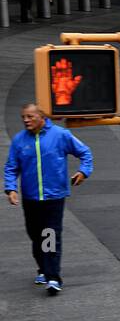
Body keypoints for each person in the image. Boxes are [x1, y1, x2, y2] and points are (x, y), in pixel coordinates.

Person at [4, 103, 94, 295]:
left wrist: (83, 172)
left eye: (30, 116)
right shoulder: (20, 140)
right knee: (36, 236)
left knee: (50, 235)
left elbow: (85, 153)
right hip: (31, 197)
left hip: (54, 196)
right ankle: (43, 268)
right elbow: (11, 167)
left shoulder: (60, 135)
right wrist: (11, 189)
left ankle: (53, 277)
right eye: (23, 117)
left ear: (41, 116)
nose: (26, 120)